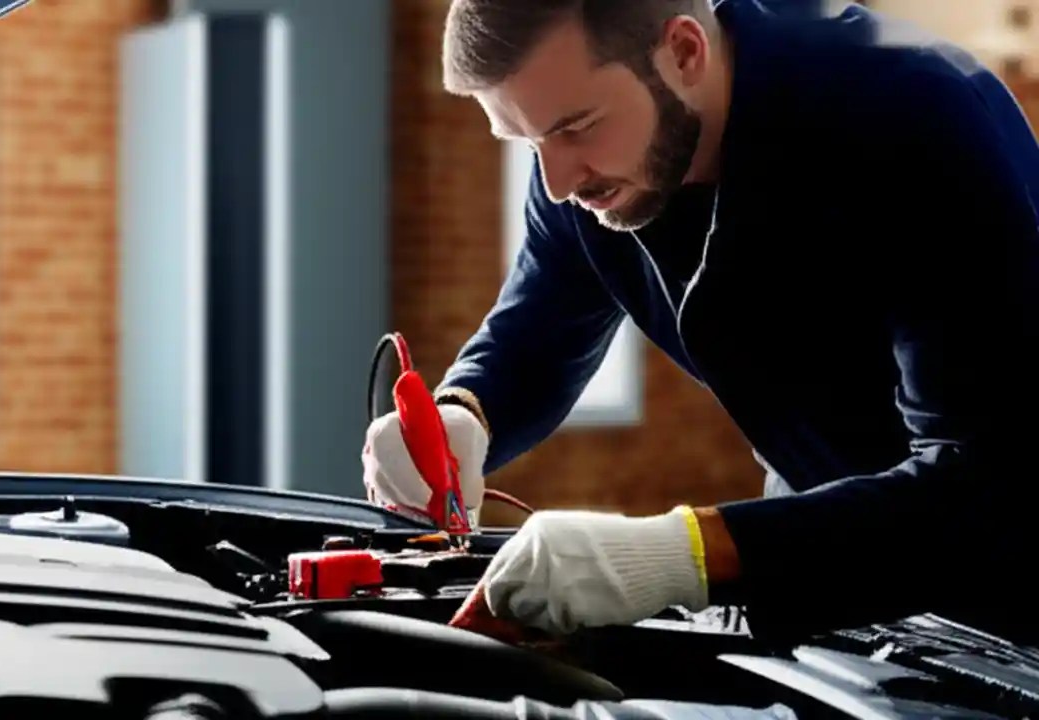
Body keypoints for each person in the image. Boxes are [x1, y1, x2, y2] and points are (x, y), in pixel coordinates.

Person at [362, 0, 1039, 644]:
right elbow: (539, 325)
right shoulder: (583, 165)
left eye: (575, 127)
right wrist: (463, 417)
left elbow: (990, 486)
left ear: (683, 51)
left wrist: (681, 552)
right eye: (526, 140)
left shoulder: (922, 114)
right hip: (833, 591)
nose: (559, 181)